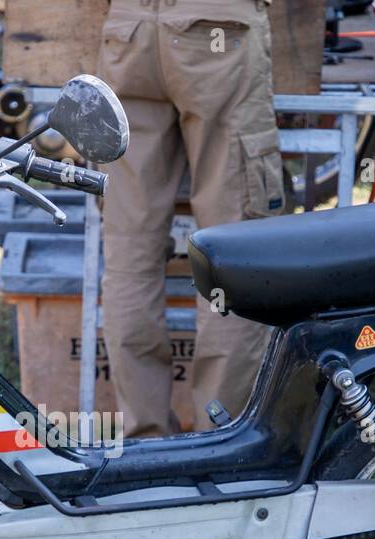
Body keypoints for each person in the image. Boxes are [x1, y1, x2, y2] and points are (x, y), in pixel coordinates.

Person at [98, 0, 286, 438]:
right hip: (219, 31)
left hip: (130, 31)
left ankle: (144, 440)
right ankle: (222, 438)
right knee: (237, 259)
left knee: (129, 255)